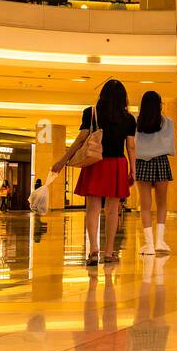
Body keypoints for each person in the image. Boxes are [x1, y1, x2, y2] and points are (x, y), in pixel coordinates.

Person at [54, 78, 136, 266]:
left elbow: (81, 139)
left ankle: (93, 251)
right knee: (113, 210)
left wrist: (63, 160)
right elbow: (130, 146)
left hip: (95, 162)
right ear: (124, 98)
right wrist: (133, 170)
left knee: (92, 209)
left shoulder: (91, 113)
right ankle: (108, 253)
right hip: (117, 164)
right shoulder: (129, 118)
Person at [134, 91, 175, 256]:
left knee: (145, 205)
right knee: (162, 203)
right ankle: (160, 241)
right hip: (161, 161)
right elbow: (170, 143)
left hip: (142, 162)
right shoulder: (168, 122)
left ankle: (149, 245)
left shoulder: (136, 122)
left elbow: (132, 144)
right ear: (159, 104)